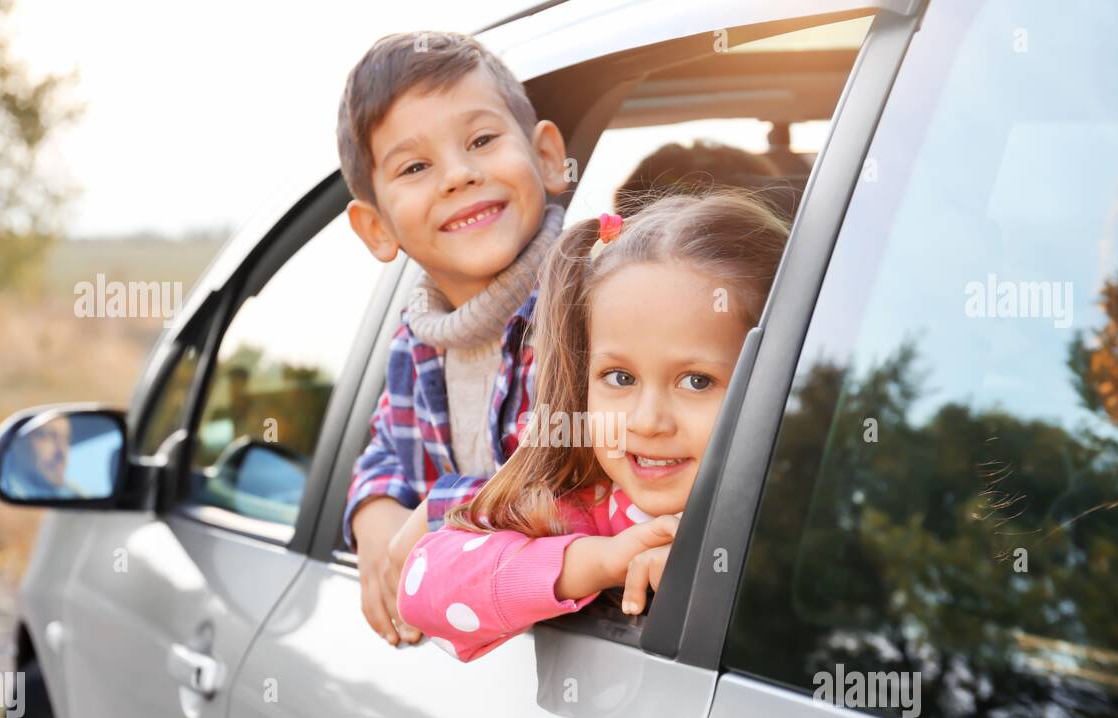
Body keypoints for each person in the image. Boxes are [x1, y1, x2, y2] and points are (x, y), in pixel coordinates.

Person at [396, 190, 790, 662]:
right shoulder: (592, 509)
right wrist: (601, 561)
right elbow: (424, 583)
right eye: (619, 378)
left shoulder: (799, 519)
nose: (647, 421)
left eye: (696, 381)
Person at [335, 31, 571, 647]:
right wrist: (374, 512)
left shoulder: (593, 305)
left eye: (482, 140)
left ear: (547, 157)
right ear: (377, 228)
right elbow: (388, 447)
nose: (460, 176)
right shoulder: (416, 342)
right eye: (415, 167)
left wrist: (441, 514)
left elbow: (577, 490)